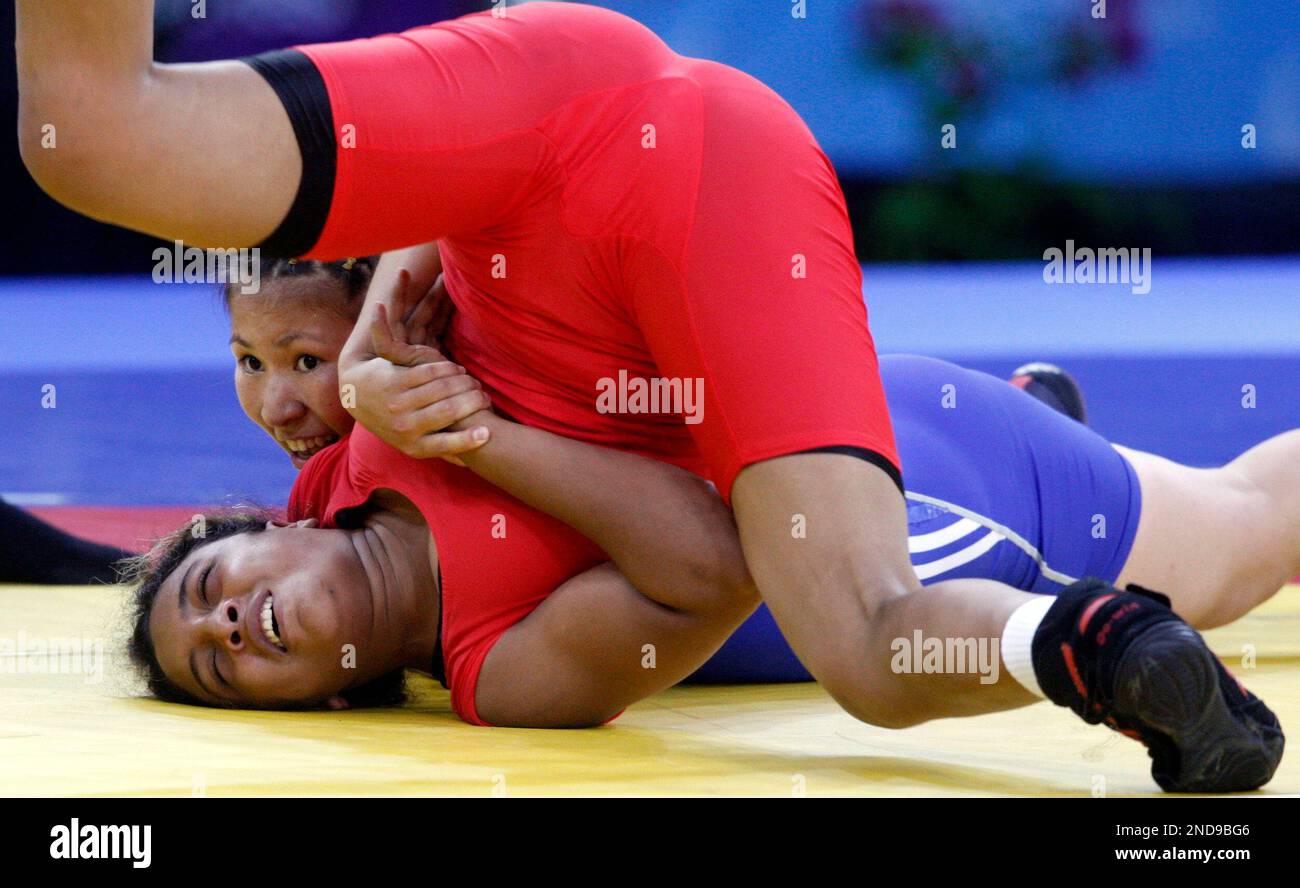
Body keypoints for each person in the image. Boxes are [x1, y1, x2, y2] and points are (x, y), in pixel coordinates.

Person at [17, 1, 1282, 791]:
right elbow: (705, 563)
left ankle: (1043, 437)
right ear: (327, 697)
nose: (230, 633)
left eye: (205, 598)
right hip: (750, 272)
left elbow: (333, 263)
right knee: (886, 650)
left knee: (92, 138)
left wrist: (369, 337)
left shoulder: (340, 423)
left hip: (557, 99)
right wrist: (478, 435)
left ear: (261, 525)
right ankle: (1100, 640)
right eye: (223, 673)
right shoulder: (496, 670)